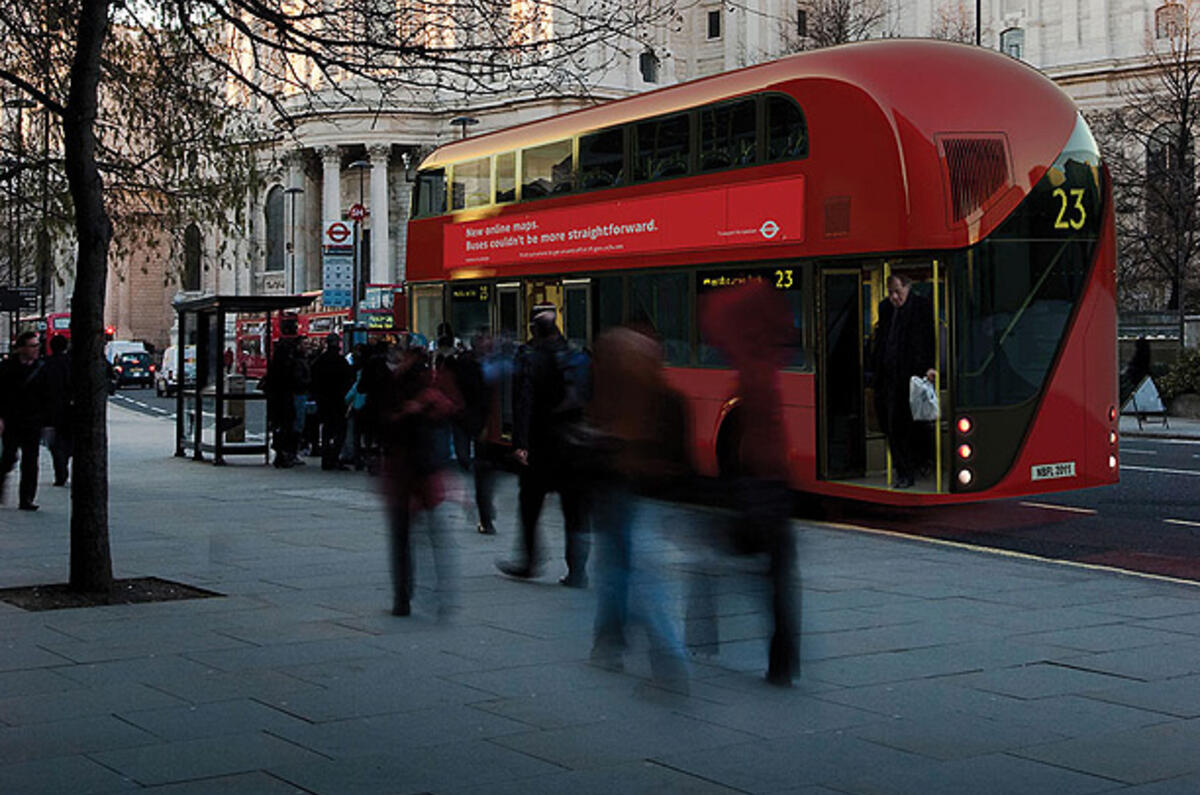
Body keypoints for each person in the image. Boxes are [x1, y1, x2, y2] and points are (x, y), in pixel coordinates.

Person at [587, 324, 690, 691]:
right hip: (651, 495)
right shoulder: (668, 399)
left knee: (624, 574)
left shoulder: (617, 404)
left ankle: (662, 656)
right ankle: (612, 642)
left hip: (623, 492)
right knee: (627, 572)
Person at [496, 304, 591, 587]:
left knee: (530, 505)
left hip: (543, 444)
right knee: (574, 512)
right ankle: (577, 570)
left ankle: (529, 561)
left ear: (535, 332)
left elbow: (524, 403)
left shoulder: (532, 360)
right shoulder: (576, 356)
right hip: (574, 446)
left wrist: (519, 443)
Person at [380, 337, 462, 618]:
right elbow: (451, 411)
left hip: (405, 472)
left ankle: (403, 597)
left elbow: (385, 424)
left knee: (403, 539)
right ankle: (441, 595)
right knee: (434, 537)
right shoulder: (431, 386)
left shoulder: (398, 385)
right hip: (427, 471)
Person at [870, 273, 936, 489]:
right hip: (888, 376)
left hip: (912, 375)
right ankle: (904, 470)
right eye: (890, 293)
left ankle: (912, 468)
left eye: (898, 292)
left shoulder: (921, 307)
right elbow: (881, 341)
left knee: (910, 426)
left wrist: (929, 366)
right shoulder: (885, 308)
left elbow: (928, 338)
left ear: (908, 287)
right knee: (892, 426)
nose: (894, 297)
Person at [450, 328, 497, 535]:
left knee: (483, 470)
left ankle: (485, 515)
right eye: (481, 339)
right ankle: (484, 508)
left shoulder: (493, 366)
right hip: (464, 418)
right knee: (465, 458)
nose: (485, 343)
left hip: (483, 422)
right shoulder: (464, 363)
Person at [0, 331, 49, 510]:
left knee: (31, 461)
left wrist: (47, 422)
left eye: (37, 345)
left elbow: (47, 396)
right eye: (32, 346)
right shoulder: (6, 368)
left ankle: (26, 498)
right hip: (11, 419)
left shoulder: (41, 368)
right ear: (21, 348)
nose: (36, 349)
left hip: (32, 421)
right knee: (8, 457)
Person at [310, 333, 355, 470]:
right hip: (338, 400)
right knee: (340, 429)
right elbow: (349, 378)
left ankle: (326, 458)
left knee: (326, 429)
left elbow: (313, 380)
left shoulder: (320, 361)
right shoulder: (341, 361)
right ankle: (334, 456)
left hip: (324, 400)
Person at [42, 335, 72, 486]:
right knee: (68, 440)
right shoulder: (71, 363)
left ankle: (60, 471)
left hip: (50, 411)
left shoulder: (45, 364)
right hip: (70, 410)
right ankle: (64, 461)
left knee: (54, 444)